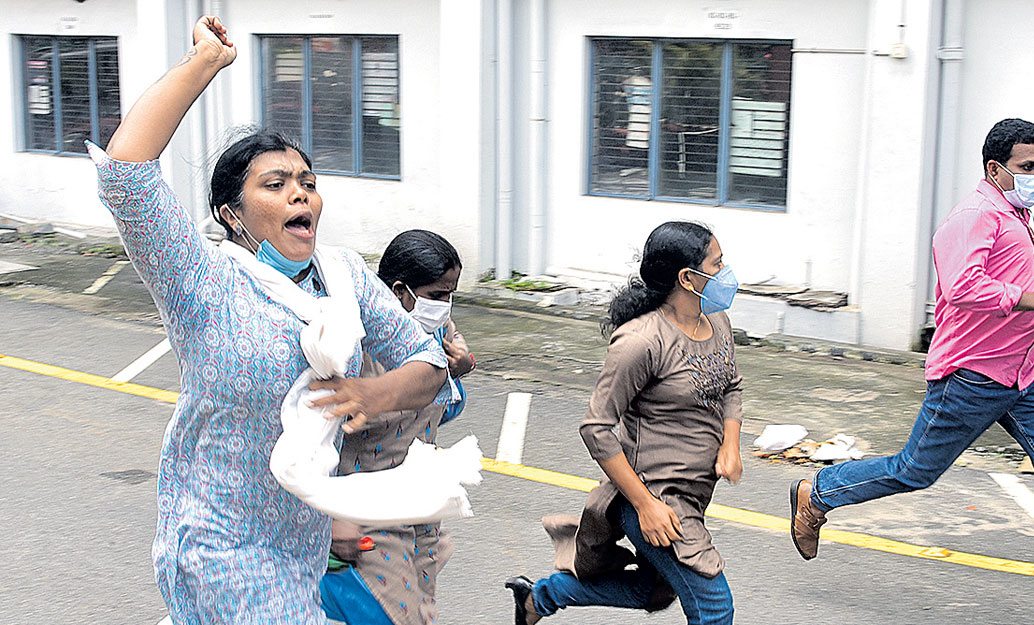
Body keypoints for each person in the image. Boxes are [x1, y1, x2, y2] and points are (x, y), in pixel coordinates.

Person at [93, 16, 451, 624]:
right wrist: (204, 62)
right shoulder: (202, 279)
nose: (300, 194)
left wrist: (375, 392)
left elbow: (430, 364)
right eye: (276, 184)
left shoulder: (343, 277)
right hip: (216, 541)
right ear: (231, 214)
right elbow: (125, 172)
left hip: (302, 540)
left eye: (307, 183)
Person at [788, 119, 1034, 625]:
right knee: (915, 471)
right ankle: (818, 492)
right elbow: (963, 286)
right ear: (995, 169)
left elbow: (1004, 286)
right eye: (1027, 167)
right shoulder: (973, 217)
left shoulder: (1016, 213)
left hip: (1025, 373)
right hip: (972, 375)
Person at [505, 221, 745, 625]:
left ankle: (537, 598)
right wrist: (645, 505)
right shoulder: (641, 342)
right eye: (717, 265)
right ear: (687, 278)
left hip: (695, 492)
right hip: (657, 497)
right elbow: (595, 428)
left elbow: (732, 384)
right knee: (714, 607)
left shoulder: (716, 320)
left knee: (652, 591)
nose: (726, 273)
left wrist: (730, 442)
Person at [320, 230, 474, 625]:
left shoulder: (438, 333)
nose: (445, 306)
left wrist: (458, 372)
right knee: (392, 613)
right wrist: (337, 516)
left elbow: (441, 413)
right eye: (437, 295)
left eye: (451, 294)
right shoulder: (352, 346)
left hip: (418, 507)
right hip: (364, 507)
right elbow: (320, 435)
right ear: (400, 292)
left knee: (420, 610)